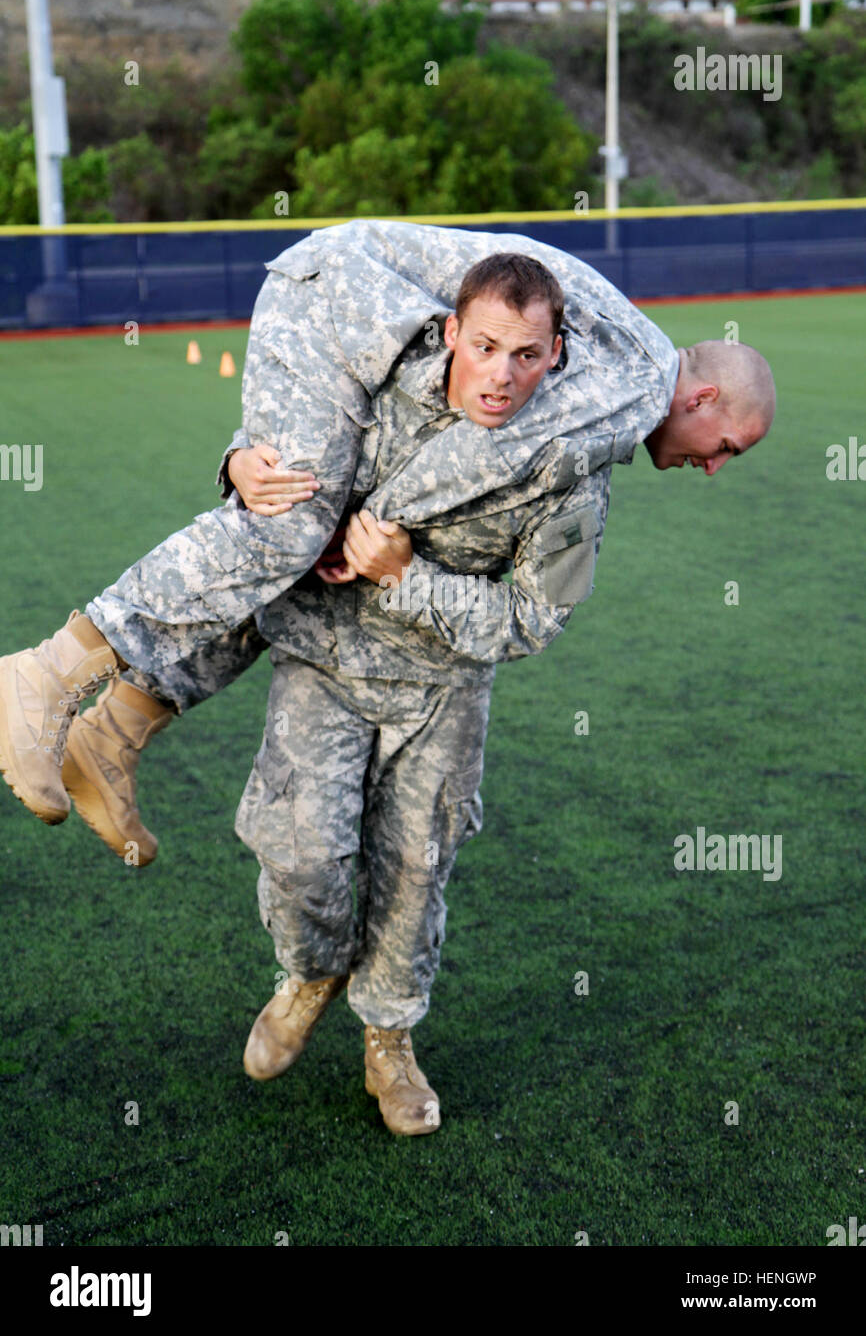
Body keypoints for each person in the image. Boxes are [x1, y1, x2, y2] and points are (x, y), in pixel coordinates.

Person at [0, 222, 775, 871]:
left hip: (345, 321)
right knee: (294, 526)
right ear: (702, 398)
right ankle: (47, 672)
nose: (714, 466)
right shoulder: (635, 387)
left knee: (304, 542)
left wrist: (356, 525)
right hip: (328, 311)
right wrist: (360, 532)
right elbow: (493, 447)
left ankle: (113, 736)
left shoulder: (626, 353)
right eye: (727, 446)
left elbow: (475, 427)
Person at [225, 267, 775, 1136]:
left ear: (551, 354)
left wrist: (406, 577)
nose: (713, 467)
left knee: (415, 870)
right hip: (325, 656)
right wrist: (235, 458)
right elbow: (311, 424)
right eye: (725, 446)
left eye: (526, 355)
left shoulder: (577, 470)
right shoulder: (415, 375)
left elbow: (527, 623)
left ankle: (390, 1041)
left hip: (443, 690)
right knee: (300, 854)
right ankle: (310, 974)